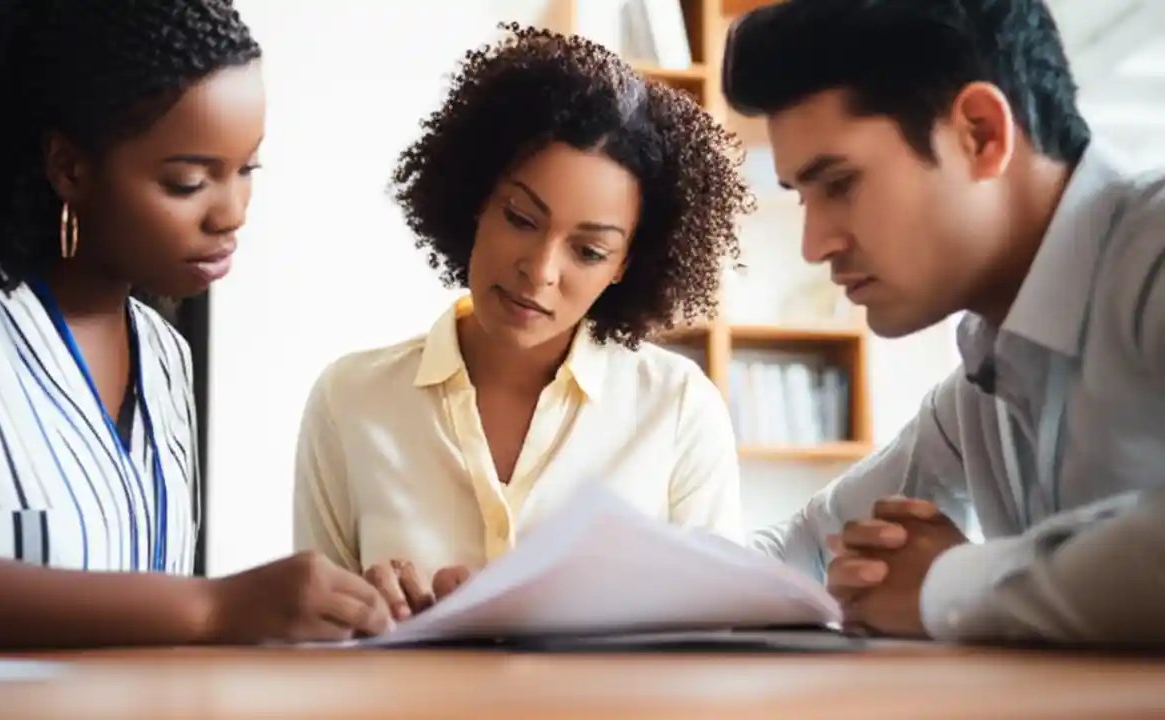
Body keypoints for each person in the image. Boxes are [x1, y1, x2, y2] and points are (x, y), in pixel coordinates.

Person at [0, 0, 392, 652]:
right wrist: (211, 608)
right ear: (70, 168)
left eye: (247, 170)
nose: (231, 212)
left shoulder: (162, 356)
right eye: (187, 181)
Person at [722, 0, 1165, 646]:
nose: (812, 245)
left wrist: (947, 586)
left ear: (981, 134)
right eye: (802, 196)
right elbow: (810, 548)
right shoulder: (984, 381)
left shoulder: (1151, 255)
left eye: (839, 184)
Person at [293, 23, 754, 619]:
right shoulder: (350, 400)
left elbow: (713, 640)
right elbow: (310, 644)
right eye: (520, 217)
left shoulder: (679, 410)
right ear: (478, 200)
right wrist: (364, 620)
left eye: (587, 252)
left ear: (624, 267)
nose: (539, 271)